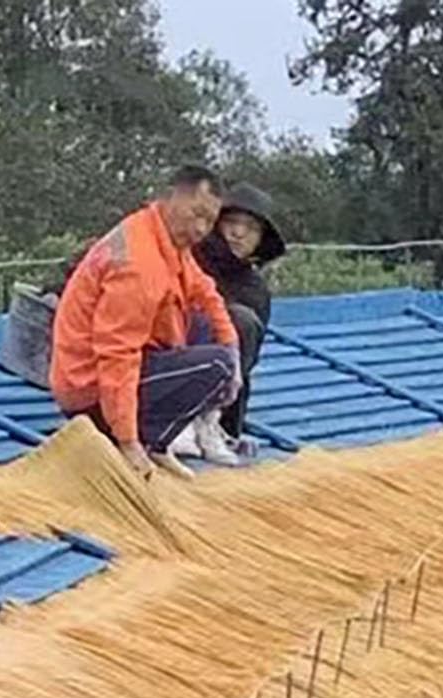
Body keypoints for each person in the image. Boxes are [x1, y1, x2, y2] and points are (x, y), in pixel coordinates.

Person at [49, 165, 244, 478]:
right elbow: (116, 355)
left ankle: (160, 437)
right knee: (216, 367)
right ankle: (138, 437)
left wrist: (232, 345)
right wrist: (128, 443)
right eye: (196, 214)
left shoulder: (162, 236)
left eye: (209, 221)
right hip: (91, 391)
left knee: (219, 333)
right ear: (169, 199)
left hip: (133, 362)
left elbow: (203, 288)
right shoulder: (139, 264)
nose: (201, 229)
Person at [188, 183, 287, 452]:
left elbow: (244, 360)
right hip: (161, 364)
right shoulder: (185, 254)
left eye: (251, 228)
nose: (238, 233)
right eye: (231, 222)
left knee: (241, 322)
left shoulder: (254, 289)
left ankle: (214, 425)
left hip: (213, 383)